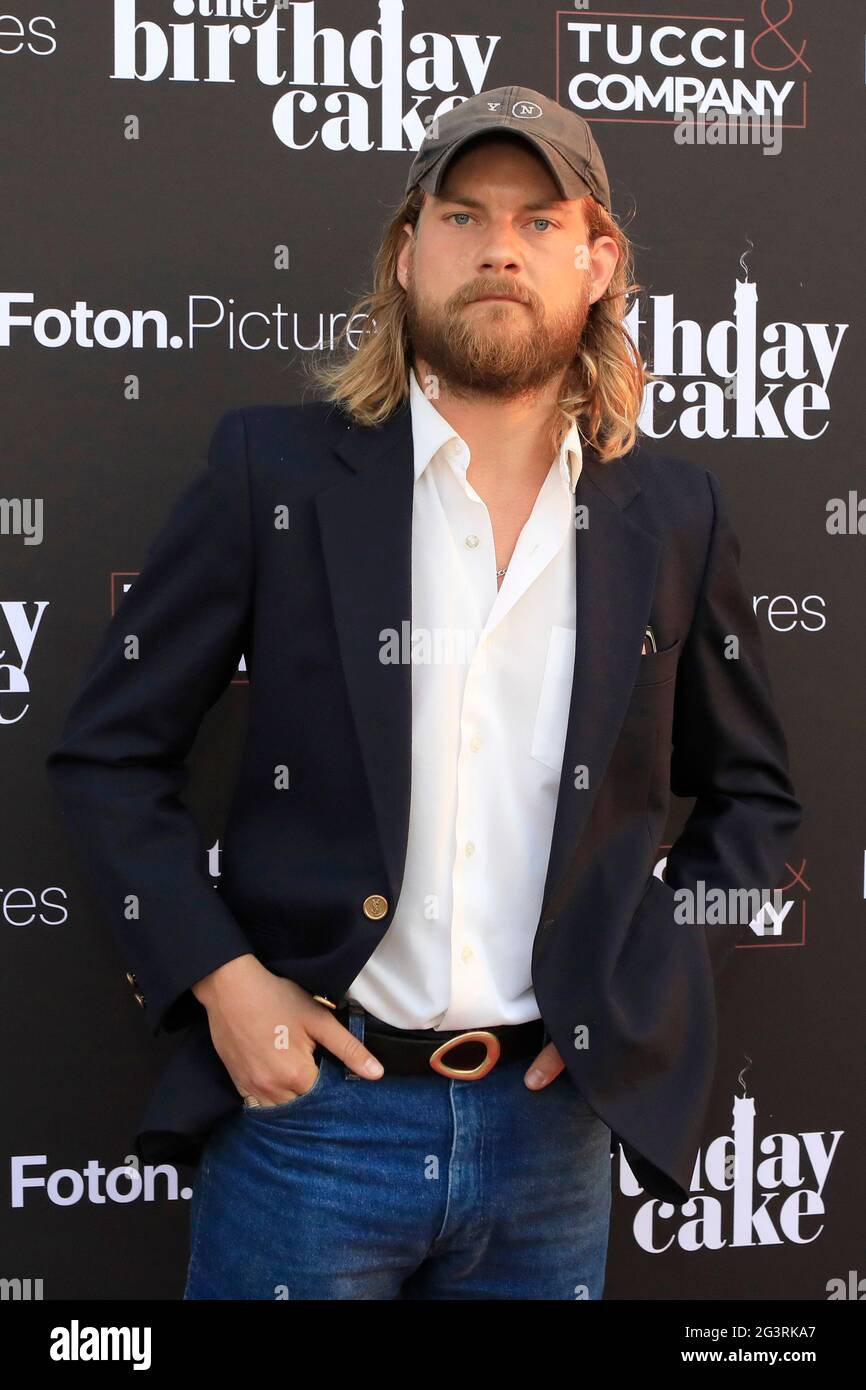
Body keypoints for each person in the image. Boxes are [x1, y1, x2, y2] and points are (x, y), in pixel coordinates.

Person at [45, 86, 802, 1300]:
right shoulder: (273, 473)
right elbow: (106, 756)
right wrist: (225, 984)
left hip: (551, 1139)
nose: (498, 245)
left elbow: (752, 803)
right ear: (407, 256)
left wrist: (634, 991)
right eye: (460, 215)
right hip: (309, 1125)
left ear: (598, 260)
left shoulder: (671, 515)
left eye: (540, 220)